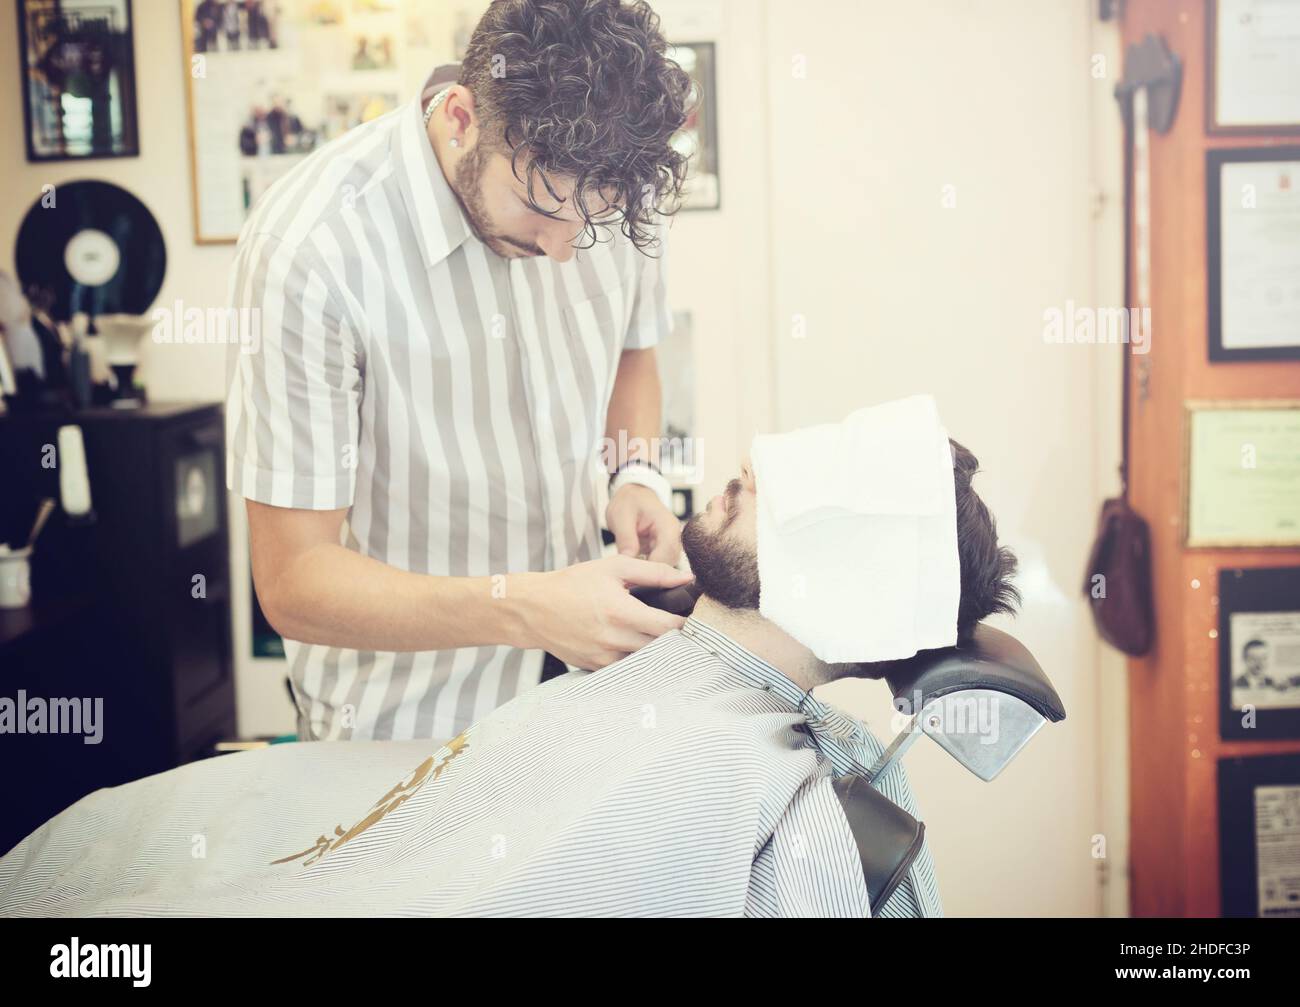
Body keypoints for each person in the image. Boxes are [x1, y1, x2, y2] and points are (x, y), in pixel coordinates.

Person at [0, 435, 1019, 917]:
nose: (755, 458)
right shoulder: (677, 667)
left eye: (810, 491)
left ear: (852, 585)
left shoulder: (718, 764)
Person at [226, 0, 695, 744]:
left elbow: (636, 348)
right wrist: (527, 607)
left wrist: (635, 475)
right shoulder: (309, 253)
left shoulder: (614, 176)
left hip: (580, 696)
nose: (565, 252)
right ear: (459, 119)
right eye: (537, 208)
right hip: (398, 724)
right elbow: (294, 582)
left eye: (593, 221)